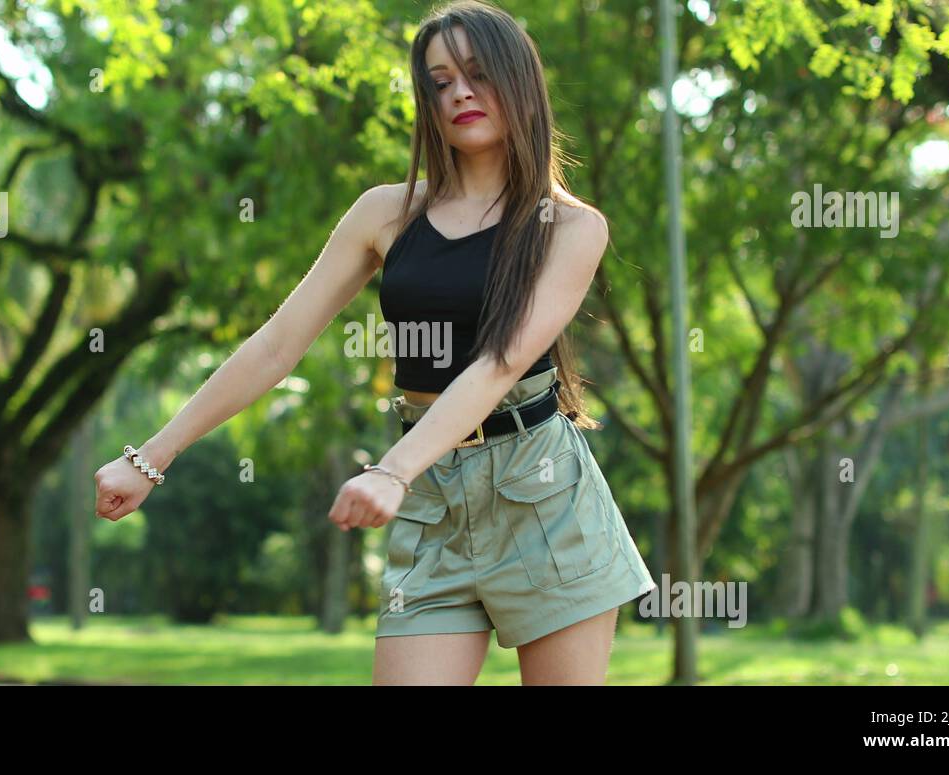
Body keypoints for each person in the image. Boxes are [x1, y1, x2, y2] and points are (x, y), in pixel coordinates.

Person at [93, 0, 656, 685]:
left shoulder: (571, 228)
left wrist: (393, 468)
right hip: (432, 500)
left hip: (542, 494)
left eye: (477, 73)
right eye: (440, 81)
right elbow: (277, 345)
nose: (459, 93)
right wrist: (151, 457)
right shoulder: (385, 212)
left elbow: (501, 361)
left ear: (520, 82)